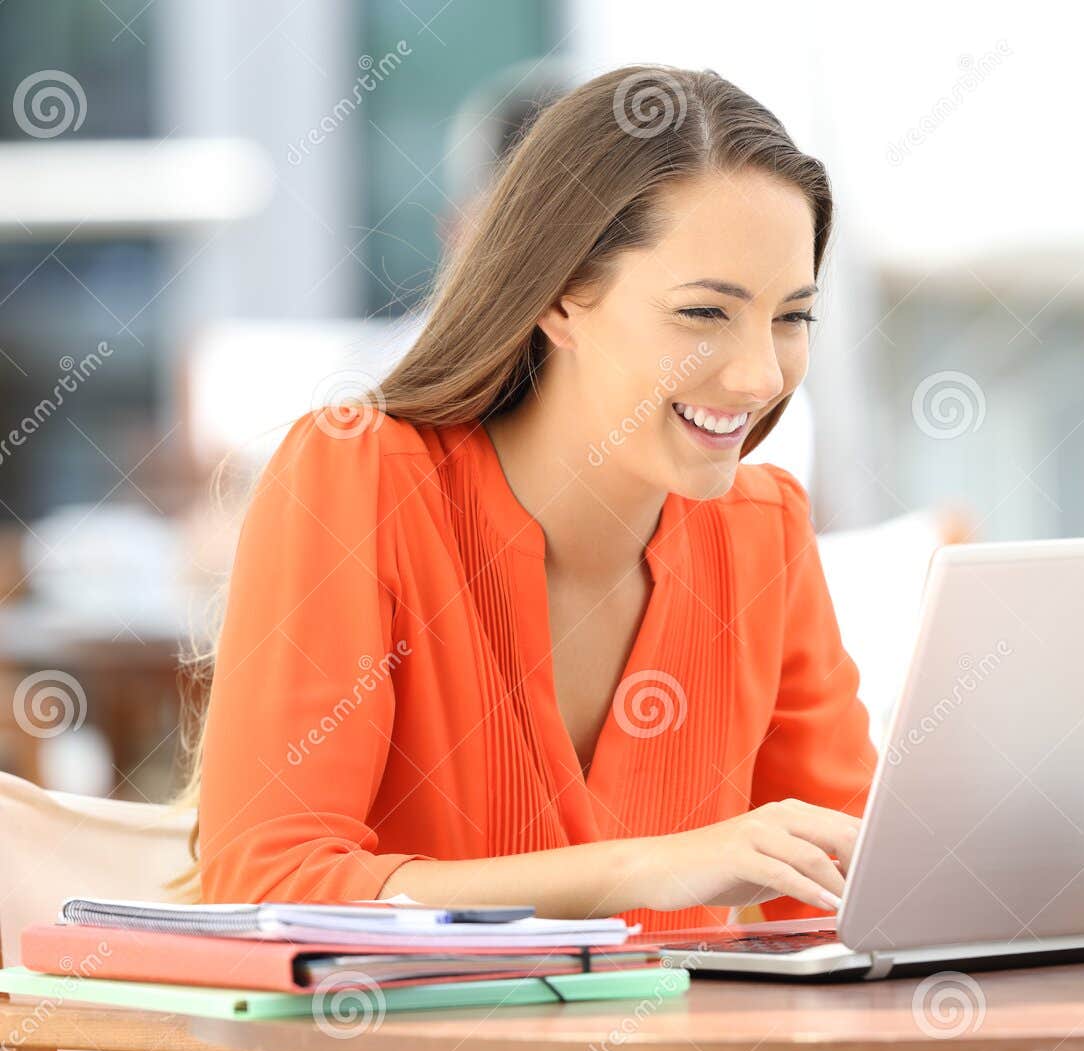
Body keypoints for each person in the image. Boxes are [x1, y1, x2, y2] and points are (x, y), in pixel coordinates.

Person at [175, 66, 875, 936]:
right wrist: (643, 869)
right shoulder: (359, 480)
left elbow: (861, 885)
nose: (762, 375)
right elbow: (265, 886)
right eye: (704, 313)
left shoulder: (762, 528)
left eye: (792, 317)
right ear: (558, 298)